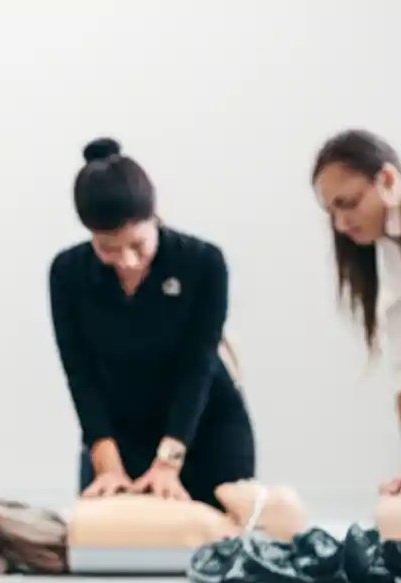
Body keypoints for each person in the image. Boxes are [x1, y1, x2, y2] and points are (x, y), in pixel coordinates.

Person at [48, 138, 254, 508]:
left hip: (203, 430)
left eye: (138, 245)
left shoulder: (203, 263)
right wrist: (107, 464)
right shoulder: (67, 273)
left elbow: (199, 364)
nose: (126, 260)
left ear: (154, 219)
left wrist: (169, 461)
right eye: (108, 249)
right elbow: (79, 373)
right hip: (118, 437)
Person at [311, 129, 401, 502]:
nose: (341, 224)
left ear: (387, 180)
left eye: (349, 203)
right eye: (332, 212)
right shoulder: (389, 248)